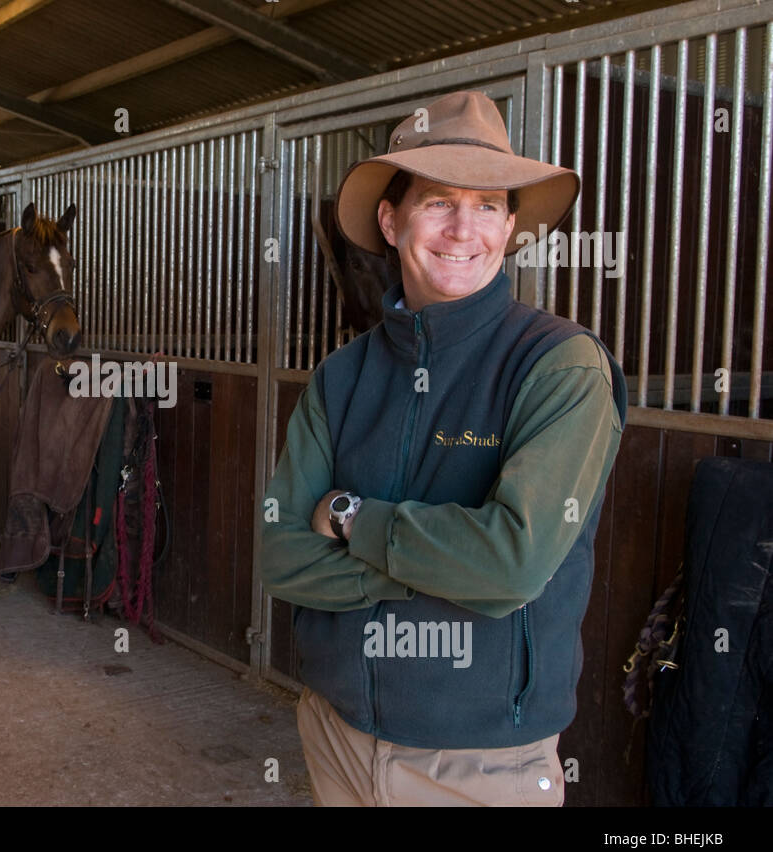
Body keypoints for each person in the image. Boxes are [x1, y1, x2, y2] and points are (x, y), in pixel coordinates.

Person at [260, 90, 627, 806]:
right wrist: (442, 572)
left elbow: (510, 562)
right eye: (437, 202)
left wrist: (351, 521)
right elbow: (278, 553)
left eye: (487, 205)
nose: (464, 228)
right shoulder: (341, 377)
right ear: (391, 221)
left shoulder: (561, 366)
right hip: (335, 734)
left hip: (480, 767)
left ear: (511, 226)